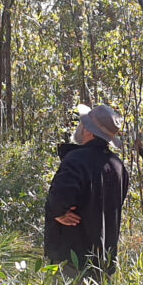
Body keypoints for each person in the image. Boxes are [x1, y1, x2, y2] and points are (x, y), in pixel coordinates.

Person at [44, 104, 130, 276]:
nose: (79, 126)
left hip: (71, 261)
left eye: (82, 123)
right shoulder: (118, 166)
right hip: (104, 263)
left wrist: (58, 212)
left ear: (88, 130)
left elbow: (58, 199)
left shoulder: (75, 160)